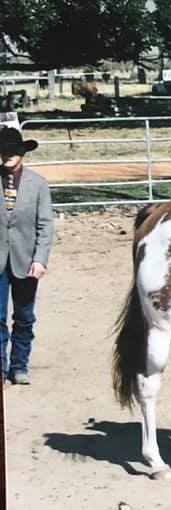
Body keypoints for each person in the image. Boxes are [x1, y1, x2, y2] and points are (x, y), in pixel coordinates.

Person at [0, 127, 54, 384]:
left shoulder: (38, 184)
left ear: (23, 153)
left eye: (13, 151)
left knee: (23, 317)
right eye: (4, 151)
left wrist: (40, 259)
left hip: (26, 261)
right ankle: (1, 367)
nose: (8, 155)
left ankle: (19, 366)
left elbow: (45, 225)